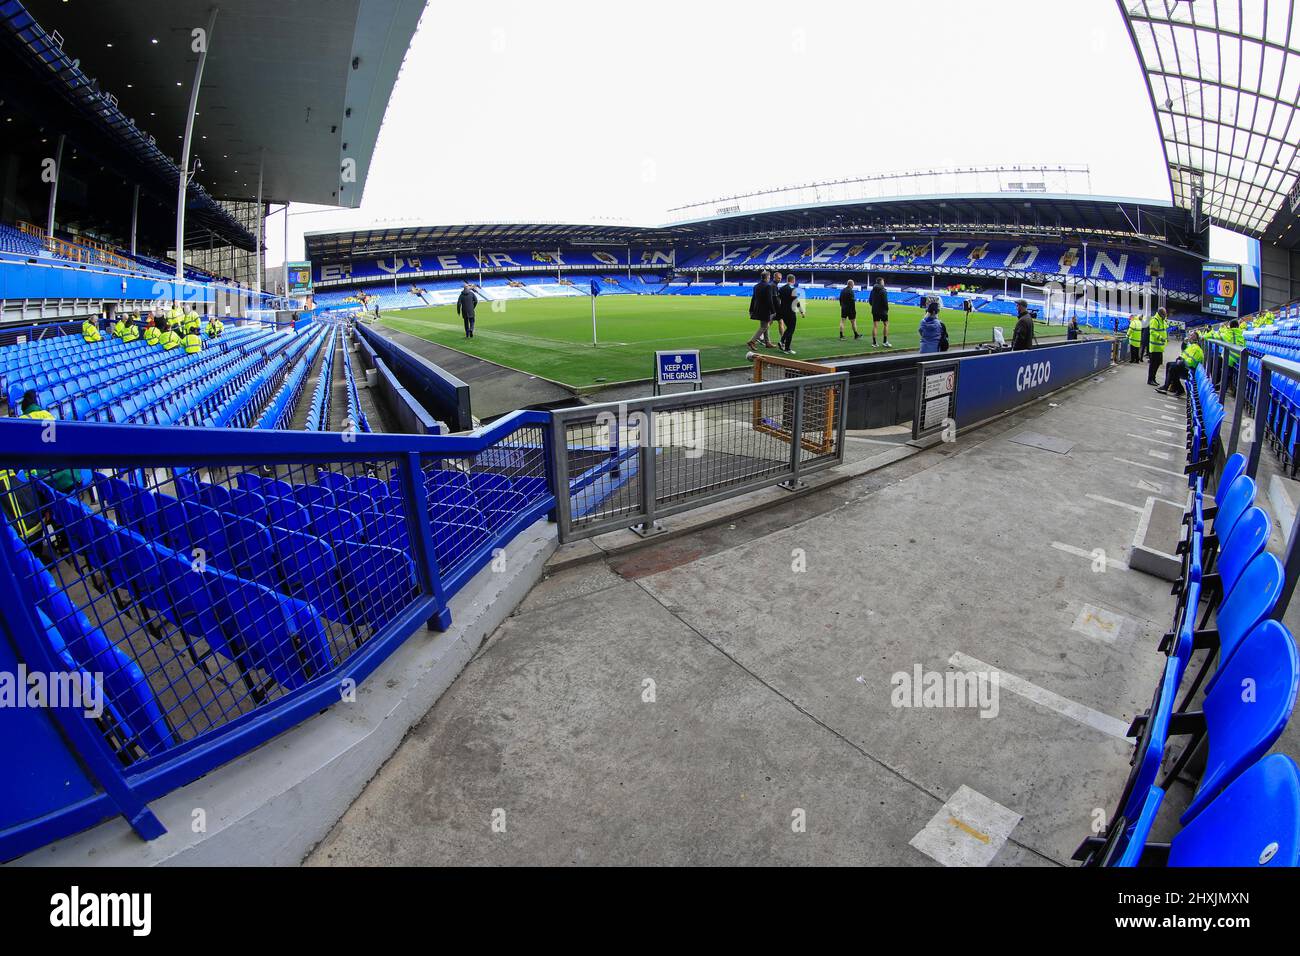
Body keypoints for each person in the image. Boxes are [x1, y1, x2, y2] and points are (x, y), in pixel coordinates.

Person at [1155, 332, 1203, 396]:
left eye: (1192, 336)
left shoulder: (1196, 348)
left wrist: (1182, 362)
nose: (1190, 337)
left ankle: (1166, 387)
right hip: (1185, 366)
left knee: (1173, 368)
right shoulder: (1191, 346)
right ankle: (1176, 388)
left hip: (1189, 369)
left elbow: (1191, 362)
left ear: (1196, 338)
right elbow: (1184, 353)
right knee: (1169, 364)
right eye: (1190, 335)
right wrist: (1179, 358)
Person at [746, 271, 776, 350]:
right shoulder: (768, 286)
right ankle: (752, 341)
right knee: (764, 327)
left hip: (757, 309)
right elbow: (770, 300)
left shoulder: (756, 286)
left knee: (765, 326)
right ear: (767, 277)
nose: (770, 278)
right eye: (769, 277)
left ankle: (767, 342)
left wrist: (751, 309)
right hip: (765, 310)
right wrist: (773, 311)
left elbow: (753, 299)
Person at [1146, 307, 1168, 386]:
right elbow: (1152, 332)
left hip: (1160, 347)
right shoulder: (1154, 320)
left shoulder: (1162, 320)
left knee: (1158, 363)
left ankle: (1153, 378)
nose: (1165, 315)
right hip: (1155, 347)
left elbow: (1164, 328)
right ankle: (1150, 379)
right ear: (1161, 314)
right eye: (1164, 314)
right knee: (1153, 364)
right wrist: (1160, 338)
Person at [777, 275, 798, 354]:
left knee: (789, 328)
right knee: (791, 329)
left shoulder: (781, 289)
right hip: (791, 312)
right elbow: (795, 301)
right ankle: (785, 345)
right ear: (793, 280)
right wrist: (802, 311)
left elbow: (778, 299)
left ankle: (784, 345)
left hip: (783, 312)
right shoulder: (793, 289)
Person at [869, 278, 890, 348]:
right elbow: (885, 302)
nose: (884, 282)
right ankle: (885, 342)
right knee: (886, 324)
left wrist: (874, 306)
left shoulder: (873, 290)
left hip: (875, 310)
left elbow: (870, 301)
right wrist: (887, 309)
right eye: (883, 281)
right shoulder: (883, 290)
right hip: (883, 310)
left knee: (875, 326)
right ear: (881, 282)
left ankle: (874, 343)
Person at [770, 273, 786, 343]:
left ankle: (760, 336)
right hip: (775, 308)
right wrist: (779, 308)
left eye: (780, 278)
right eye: (778, 278)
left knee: (770, 322)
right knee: (780, 322)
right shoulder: (773, 286)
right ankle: (783, 339)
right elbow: (775, 299)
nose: (780, 280)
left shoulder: (774, 285)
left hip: (772, 308)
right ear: (774, 277)